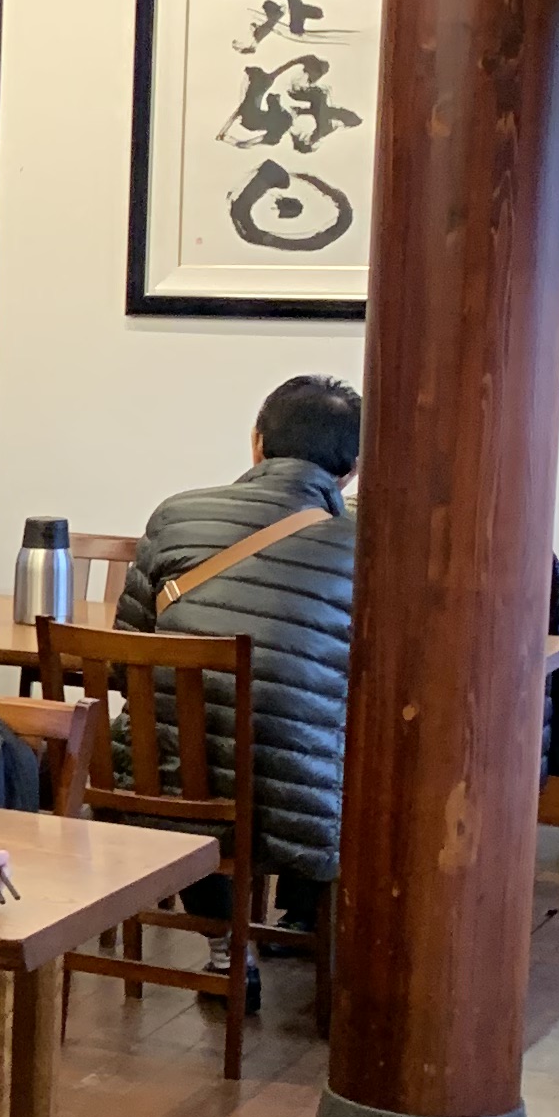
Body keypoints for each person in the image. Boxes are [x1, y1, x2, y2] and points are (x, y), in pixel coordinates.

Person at [118, 374, 362, 934]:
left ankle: (222, 941)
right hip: (297, 797)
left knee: (183, 764)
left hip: (162, 786)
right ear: (351, 471)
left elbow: (122, 656)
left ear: (256, 442)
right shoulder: (361, 545)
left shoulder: (175, 514)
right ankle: (305, 927)